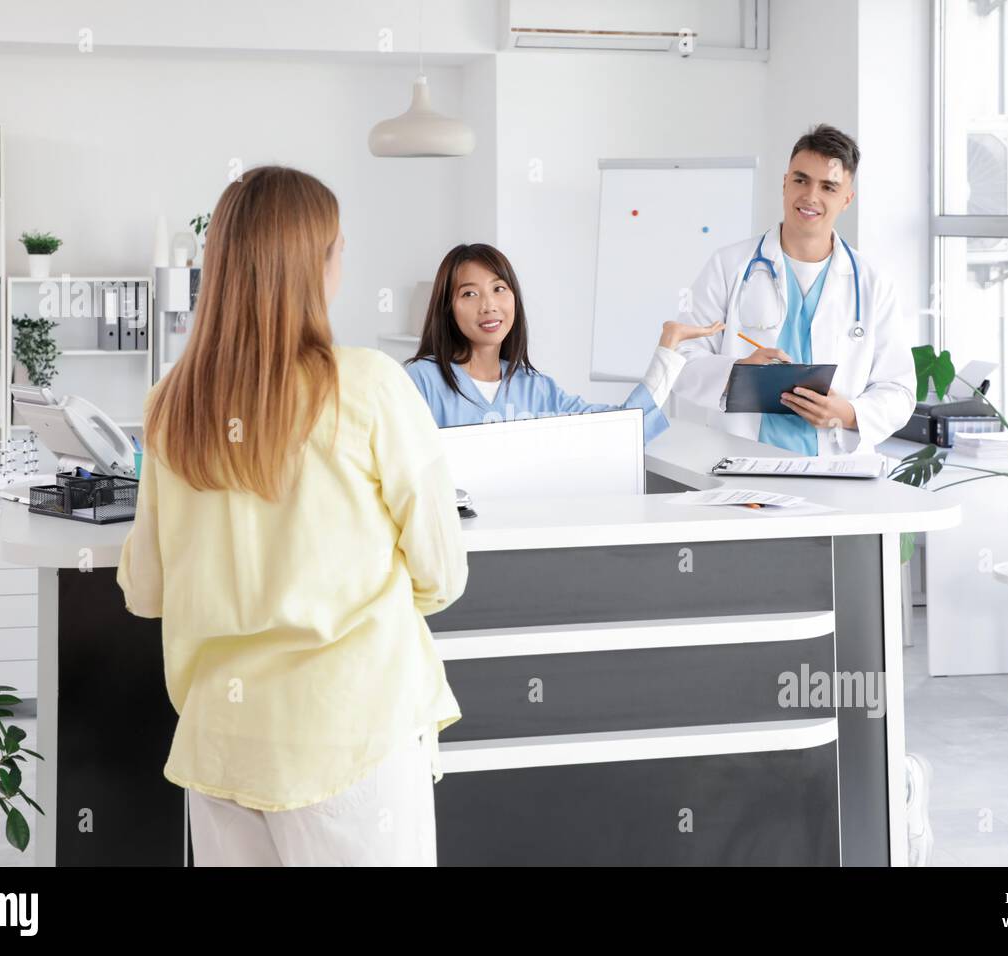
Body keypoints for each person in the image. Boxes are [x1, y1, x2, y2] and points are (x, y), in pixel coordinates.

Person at [116, 166, 467, 866]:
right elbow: (442, 574)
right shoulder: (369, 387)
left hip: (224, 746)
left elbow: (145, 591)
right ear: (318, 264)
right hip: (350, 738)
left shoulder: (168, 406)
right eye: (339, 250)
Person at [670, 124, 916, 454]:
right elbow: (680, 359)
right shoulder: (729, 266)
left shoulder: (873, 283)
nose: (810, 196)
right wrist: (735, 373)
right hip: (742, 463)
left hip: (837, 467)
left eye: (828, 187)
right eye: (801, 180)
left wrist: (848, 413)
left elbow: (899, 388)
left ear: (847, 199)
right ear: (785, 183)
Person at [403, 243, 723, 441]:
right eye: (469, 293)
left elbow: (621, 429)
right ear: (448, 308)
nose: (488, 305)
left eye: (499, 289)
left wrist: (669, 347)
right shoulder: (420, 380)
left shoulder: (538, 389)